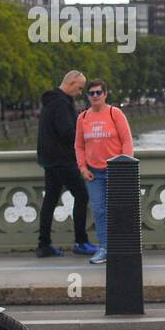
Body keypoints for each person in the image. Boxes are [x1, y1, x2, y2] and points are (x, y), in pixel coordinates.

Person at [35, 70, 96, 259]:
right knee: (82, 195)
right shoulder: (61, 103)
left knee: (50, 200)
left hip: (49, 159)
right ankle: (81, 241)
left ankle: (44, 244)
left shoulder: (51, 101)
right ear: (70, 83)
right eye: (79, 88)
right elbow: (68, 133)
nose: (80, 92)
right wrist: (88, 139)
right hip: (62, 160)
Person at [75, 80, 135, 264]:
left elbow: (127, 140)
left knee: (119, 210)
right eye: (91, 93)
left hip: (115, 169)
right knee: (100, 211)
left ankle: (123, 248)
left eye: (98, 92)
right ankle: (105, 248)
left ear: (105, 93)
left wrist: (125, 166)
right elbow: (79, 145)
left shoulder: (114, 113)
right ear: (87, 96)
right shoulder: (83, 118)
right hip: (93, 173)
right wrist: (83, 168)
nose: (95, 96)